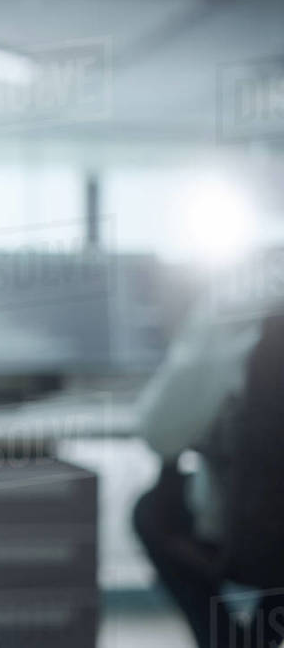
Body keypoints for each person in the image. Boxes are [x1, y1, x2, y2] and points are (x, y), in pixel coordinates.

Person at [134, 250, 284, 648]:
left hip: (255, 538)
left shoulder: (242, 305)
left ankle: (227, 642)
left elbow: (160, 433)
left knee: (151, 512)